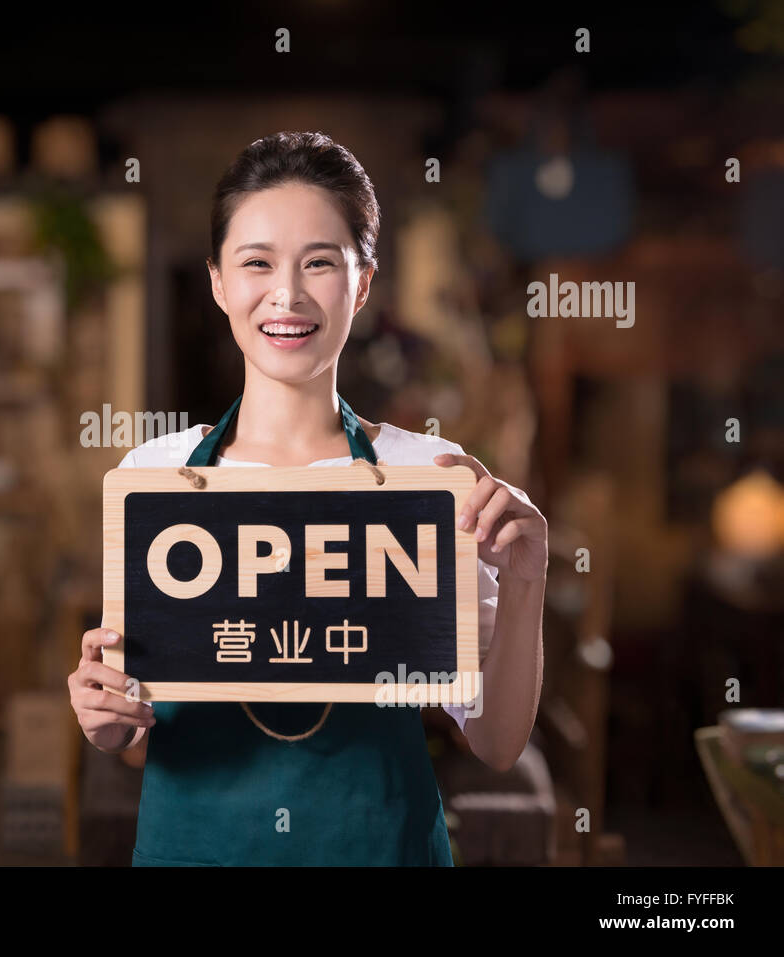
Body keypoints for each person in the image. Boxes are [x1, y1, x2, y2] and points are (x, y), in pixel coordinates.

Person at [67, 131, 547, 866]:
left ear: (362, 283)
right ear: (219, 282)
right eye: (256, 262)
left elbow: (496, 741)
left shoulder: (424, 477)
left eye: (320, 263)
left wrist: (525, 579)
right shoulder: (156, 478)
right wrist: (111, 725)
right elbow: (139, 736)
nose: (286, 295)